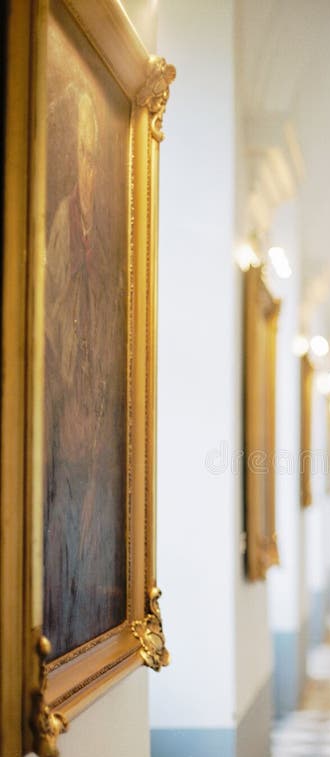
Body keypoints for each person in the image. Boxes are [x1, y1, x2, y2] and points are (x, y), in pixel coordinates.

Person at [44, 91, 126, 658]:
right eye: (85, 155)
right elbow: (52, 312)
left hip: (97, 405)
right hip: (69, 398)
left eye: (98, 156)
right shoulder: (63, 222)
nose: (91, 169)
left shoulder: (110, 236)